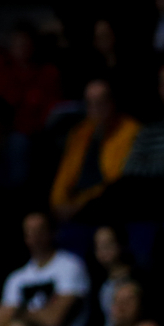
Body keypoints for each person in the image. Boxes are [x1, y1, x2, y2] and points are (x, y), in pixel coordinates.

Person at [0, 213, 89, 326]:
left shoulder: (70, 266)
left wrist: (18, 313)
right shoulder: (16, 278)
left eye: (40, 230)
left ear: (52, 232)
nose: (35, 236)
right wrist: (43, 315)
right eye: (30, 232)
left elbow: (55, 319)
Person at [49, 79, 140, 221]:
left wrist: (81, 203)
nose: (96, 109)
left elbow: (116, 182)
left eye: (101, 102)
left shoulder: (130, 131)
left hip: (107, 207)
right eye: (90, 104)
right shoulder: (80, 132)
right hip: (75, 208)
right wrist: (58, 205)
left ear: (112, 102)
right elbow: (64, 176)